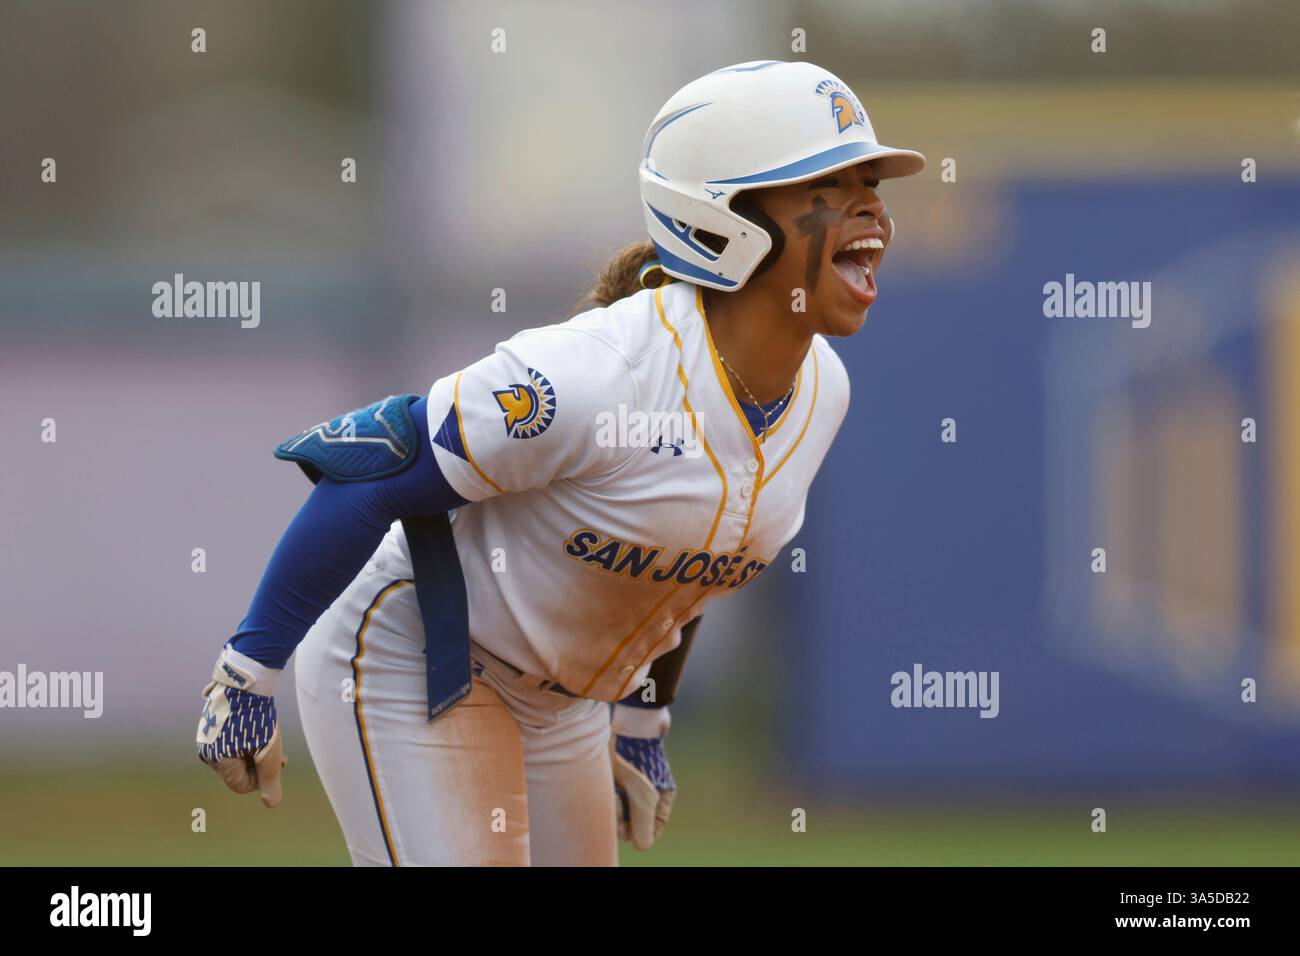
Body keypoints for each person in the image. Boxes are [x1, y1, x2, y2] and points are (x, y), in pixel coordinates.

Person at [195, 59, 925, 866]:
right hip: (421, 652)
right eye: (827, 184)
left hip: (571, 704)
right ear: (724, 220)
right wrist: (248, 670)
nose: (871, 207)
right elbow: (368, 468)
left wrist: (641, 721)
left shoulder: (821, 390)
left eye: (871, 181)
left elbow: (694, 564)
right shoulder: (595, 375)